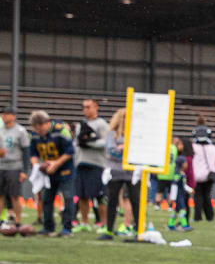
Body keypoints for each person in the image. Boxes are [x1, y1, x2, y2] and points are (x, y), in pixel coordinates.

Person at [28, 110, 75, 237]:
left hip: (65, 170)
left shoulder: (61, 131)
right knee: (46, 199)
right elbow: (32, 154)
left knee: (66, 198)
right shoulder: (35, 135)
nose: (39, 131)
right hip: (48, 172)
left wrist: (55, 164)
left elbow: (70, 152)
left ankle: (67, 228)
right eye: (36, 128)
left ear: (47, 123)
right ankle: (48, 227)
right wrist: (37, 166)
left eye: (41, 127)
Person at [74, 98, 110, 235]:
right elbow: (77, 144)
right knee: (82, 195)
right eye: (84, 107)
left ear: (96, 107)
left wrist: (89, 143)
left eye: (88, 107)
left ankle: (104, 223)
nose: (85, 110)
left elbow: (106, 142)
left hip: (97, 164)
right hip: (82, 163)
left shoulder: (101, 124)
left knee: (99, 196)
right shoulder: (80, 125)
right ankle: (84, 223)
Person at [102, 108, 139, 240]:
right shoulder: (112, 134)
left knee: (135, 201)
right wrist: (125, 149)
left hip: (131, 172)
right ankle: (109, 230)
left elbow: (136, 151)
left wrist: (122, 148)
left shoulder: (134, 134)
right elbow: (111, 151)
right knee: (112, 201)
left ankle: (138, 231)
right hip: (115, 171)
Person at [0, 108, 30, 224]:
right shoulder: (0, 130)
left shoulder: (20, 131)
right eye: (3, 114)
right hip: (1, 166)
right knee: (0, 195)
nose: (4, 116)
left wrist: (24, 171)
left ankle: (17, 221)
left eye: (7, 114)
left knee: (15, 195)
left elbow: (26, 152)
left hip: (14, 166)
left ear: (13, 116)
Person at [190, 124, 215, 223]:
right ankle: (210, 216)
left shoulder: (193, 147)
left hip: (196, 176)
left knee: (198, 197)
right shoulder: (213, 148)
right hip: (209, 176)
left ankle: (197, 217)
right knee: (207, 196)